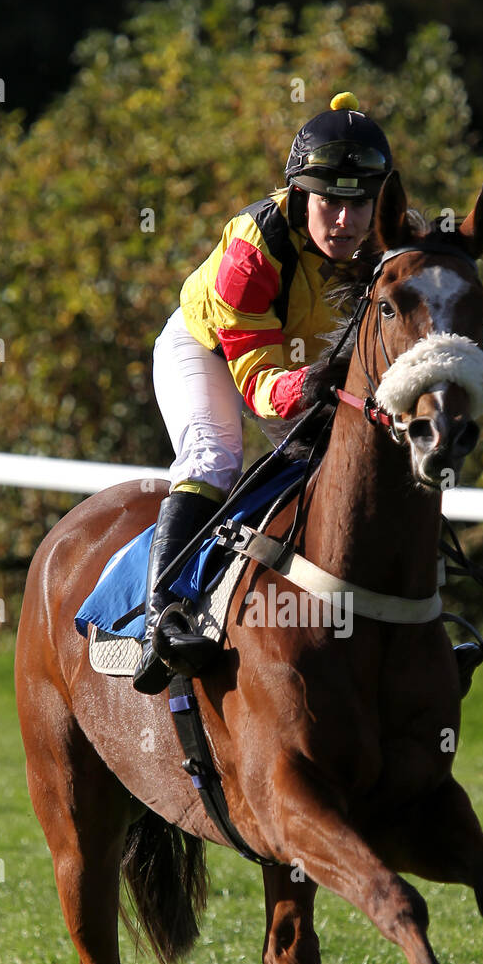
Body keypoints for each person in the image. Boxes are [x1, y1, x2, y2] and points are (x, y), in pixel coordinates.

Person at [132, 92, 394, 694]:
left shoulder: (384, 240)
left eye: (360, 205)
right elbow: (257, 386)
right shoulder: (253, 250)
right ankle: (162, 618)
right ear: (302, 195)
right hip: (209, 349)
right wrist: (320, 383)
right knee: (212, 455)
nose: (346, 223)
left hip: (301, 365)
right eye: (330, 202)